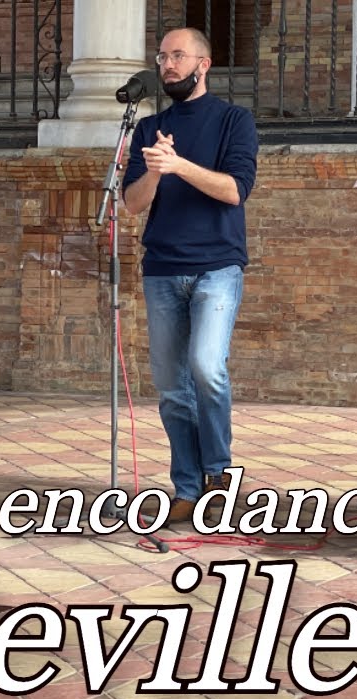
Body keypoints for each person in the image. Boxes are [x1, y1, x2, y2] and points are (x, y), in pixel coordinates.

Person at [121, 27, 259, 525]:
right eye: (163, 56)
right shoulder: (147, 128)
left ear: (204, 63)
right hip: (161, 268)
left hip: (217, 266)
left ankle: (218, 472)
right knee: (171, 386)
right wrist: (156, 172)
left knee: (207, 368)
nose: (168, 65)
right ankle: (185, 484)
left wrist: (180, 165)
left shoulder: (233, 121)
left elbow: (233, 190)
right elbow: (132, 205)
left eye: (178, 56)